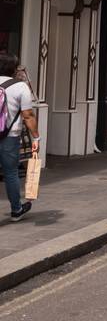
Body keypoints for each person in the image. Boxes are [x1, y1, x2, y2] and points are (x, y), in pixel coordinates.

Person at [0, 52, 40, 222]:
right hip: (10, 136)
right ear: (15, 69)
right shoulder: (20, 86)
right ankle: (16, 210)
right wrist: (36, 138)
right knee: (10, 173)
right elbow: (28, 115)